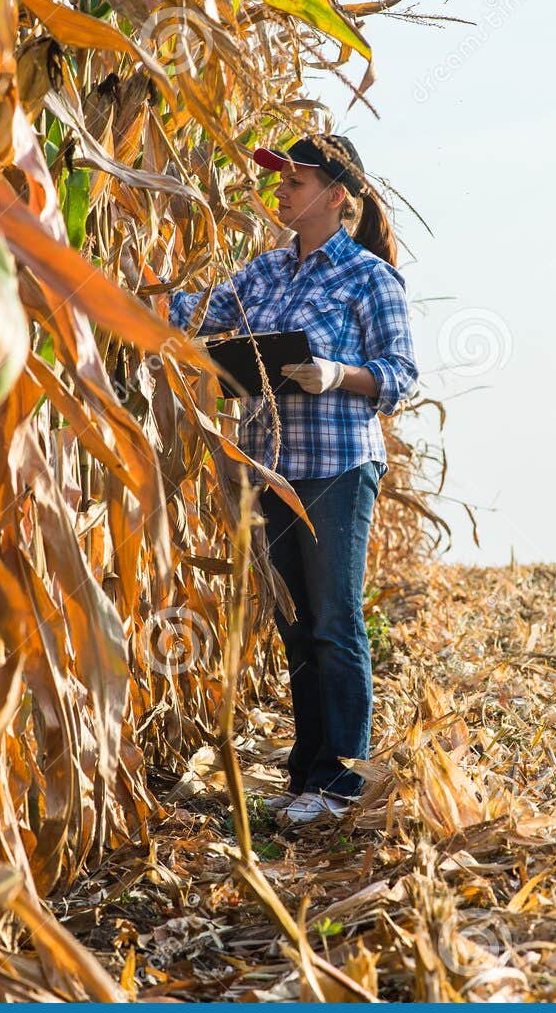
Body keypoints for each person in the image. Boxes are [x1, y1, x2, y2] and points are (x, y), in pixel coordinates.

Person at [164, 134, 419, 827]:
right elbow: (198, 310)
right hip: (270, 467)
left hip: (337, 464)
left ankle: (341, 783)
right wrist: (109, 291)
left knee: (334, 619)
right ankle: (308, 772)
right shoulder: (265, 273)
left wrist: (336, 374)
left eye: (294, 181)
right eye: (279, 181)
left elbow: (400, 373)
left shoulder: (369, 277)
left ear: (336, 196)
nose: (280, 191)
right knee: (296, 621)